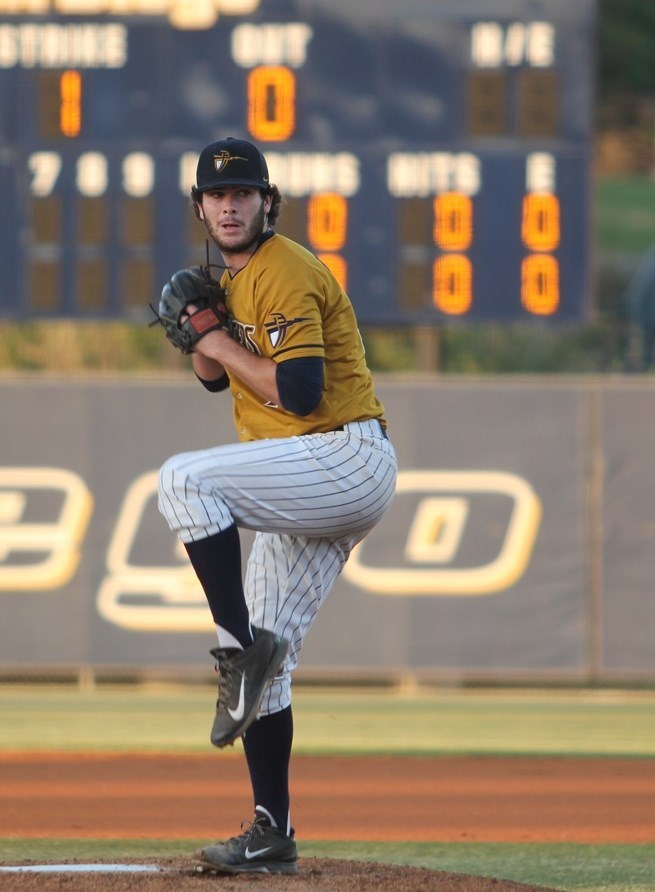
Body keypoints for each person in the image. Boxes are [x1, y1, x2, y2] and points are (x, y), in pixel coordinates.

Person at [155, 137, 398, 875]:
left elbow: (297, 392)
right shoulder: (230, 283)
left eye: (243, 193)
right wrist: (201, 334)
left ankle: (236, 652)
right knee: (275, 663)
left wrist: (214, 338)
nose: (229, 206)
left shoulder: (284, 268)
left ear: (269, 203)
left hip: (342, 455)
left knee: (183, 480)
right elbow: (212, 377)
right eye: (217, 195)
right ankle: (272, 830)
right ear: (200, 208)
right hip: (313, 474)